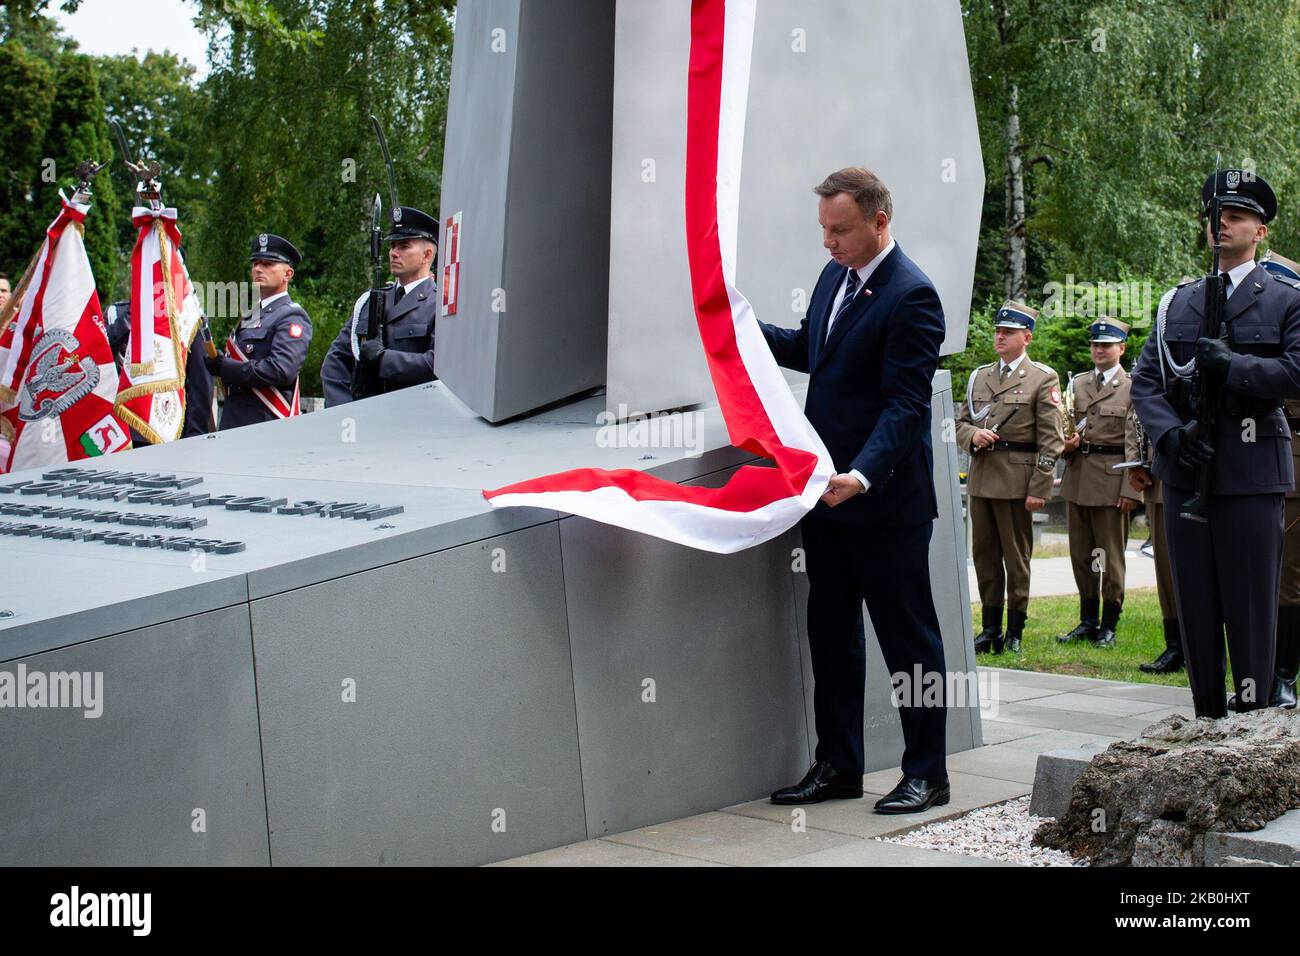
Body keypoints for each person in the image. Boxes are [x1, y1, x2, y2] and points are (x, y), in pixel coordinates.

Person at [760, 168, 950, 814]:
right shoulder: (835, 278)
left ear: (879, 221)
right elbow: (814, 350)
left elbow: (905, 405)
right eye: (823, 230)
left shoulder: (913, 296)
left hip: (883, 501)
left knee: (909, 642)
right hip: (825, 495)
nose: (828, 243)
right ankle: (838, 765)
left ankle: (928, 772)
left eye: (839, 230)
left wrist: (862, 475)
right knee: (832, 635)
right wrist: (741, 327)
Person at [1131, 170, 1300, 718]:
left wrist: (1236, 366)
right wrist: (1169, 436)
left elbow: (1296, 371)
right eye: (1215, 216)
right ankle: (1207, 715)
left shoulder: (1285, 298)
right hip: (1187, 470)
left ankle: (1252, 718)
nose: (1221, 225)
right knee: (1196, 601)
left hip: (1251, 468)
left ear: (1261, 231)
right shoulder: (1178, 301)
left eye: (1235, 217)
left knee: (1251, 602)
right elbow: (1147, 380)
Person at [954, 303, 1065, 654]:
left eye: (1009, 332)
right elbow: (960, 422)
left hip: (1019, 482)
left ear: (1027, 337)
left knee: (1016, 559)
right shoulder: (980, 376)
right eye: (998, 331)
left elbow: (1052, 438)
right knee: (984, 556)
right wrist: (972, 436)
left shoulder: (1042, 378)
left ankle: (1015, 629)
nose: (1000, 336)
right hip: (983, 478)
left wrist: (1040, 486)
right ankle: (990, 629)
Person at [1055, 318, 1142, 648]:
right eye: (1095, 345)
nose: (1099, 350)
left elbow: (1136, 440)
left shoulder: (1133, 386)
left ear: (1121, 348)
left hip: (1111, 481)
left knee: (1110, 557)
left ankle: (1109, 625)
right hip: (1078, 478)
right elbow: (1063, 430)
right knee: (1082, 555)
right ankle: (1088, 621)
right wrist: (1066, 444)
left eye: (1106, 345)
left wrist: (1131, 489)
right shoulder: (1077, 384)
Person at [320, 206, 438, 406]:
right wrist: (343, 411)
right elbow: (336, 360)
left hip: (413, 418)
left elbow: (438, 365)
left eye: (403, 246)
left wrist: (383, 360)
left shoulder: (437, 304)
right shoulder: (370, 301)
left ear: (426, 255)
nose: (393, 253)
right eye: (392, 246)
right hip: (365, 417)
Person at [206, 234, 312, 430]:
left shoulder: (292, 317)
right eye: (255, 263)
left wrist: (227, 368)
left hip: (265, 423)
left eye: (268, 264)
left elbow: (281, 370)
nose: (258, 269)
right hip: (235, 421)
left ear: (288, 274)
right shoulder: (251, 315)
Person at [1125, 380, 1183, 674]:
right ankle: (1176, 645)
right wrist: (1135, 463)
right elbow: (1135, 416)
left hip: (1200, 476)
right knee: (1165, 569)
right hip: (1158, 480)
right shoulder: (1156, 357)